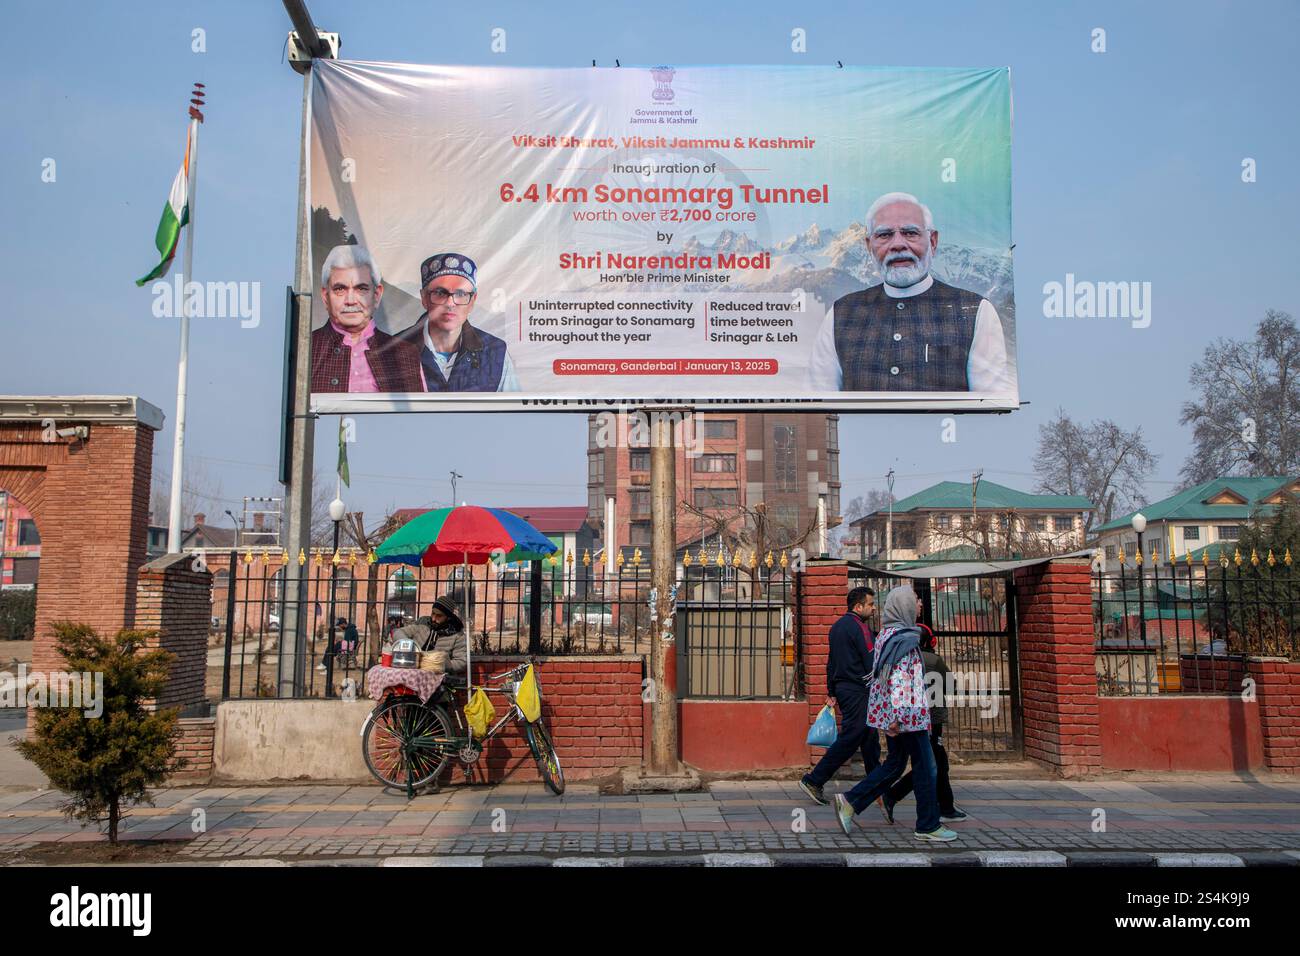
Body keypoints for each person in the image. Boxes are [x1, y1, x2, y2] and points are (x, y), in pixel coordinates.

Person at [807, 191, 1013, 395]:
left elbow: (990, 403)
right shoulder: (841, 314)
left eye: (910, 233)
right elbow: (821, 404)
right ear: (869, 246)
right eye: (885, 235)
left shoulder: (974, 311)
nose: (897, 244)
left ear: (932, 241)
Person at [831, 586, 958, 842]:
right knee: (927, 767)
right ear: (904, 607)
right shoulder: (905, 639)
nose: (918, 605)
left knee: (895, 764)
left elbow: (883, 677)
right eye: (915, 601)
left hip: (897, 715)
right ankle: (928, 825)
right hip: (908, 718)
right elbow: (899, 679)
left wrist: (890, 716)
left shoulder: (887, 635)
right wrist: (897, 717)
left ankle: (850, 801)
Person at [880, 595, 967, 824]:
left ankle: (939, 808)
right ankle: (929, 812)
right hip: (928, 718)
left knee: (923, 763)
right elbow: (951, 685)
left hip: (907, 717)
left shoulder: (893, 644)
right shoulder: (932, 660)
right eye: (916, 602)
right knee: (933, 765)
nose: (919, 605)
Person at [799, 587, 880, 805]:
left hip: (844, 689)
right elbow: (871, 661)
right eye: (871, 604)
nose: (873, 609)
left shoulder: (836, 628)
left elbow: (831, 662)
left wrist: (832, 691)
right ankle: (814, 779)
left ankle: (878, 785)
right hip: (858, 690)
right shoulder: (860, 628)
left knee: (869, 737)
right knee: (852, 736)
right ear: (858, 606)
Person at [397, 253, 520, 392]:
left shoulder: (495, 352)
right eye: (440, 293)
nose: (450, 303)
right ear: (424, 298)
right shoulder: (393, 349)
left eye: (460, 294)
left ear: (472, 301)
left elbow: (512, 412)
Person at [310, 244, 424, 393]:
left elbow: (419, 416)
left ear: (376, 296)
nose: (350, 300)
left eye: (361, 289)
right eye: (340, 289)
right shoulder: (305, 350)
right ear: (325, 297)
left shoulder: (405, 354)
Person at [390, 596, 468, 675]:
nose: (433, 618)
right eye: (433, 613)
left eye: (439, 616)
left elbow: (461, 662)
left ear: (448, 617)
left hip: (438, 676)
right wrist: (412, 647)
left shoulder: (457, 634)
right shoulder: (423, 624)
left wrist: (439, 663)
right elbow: (398, 633)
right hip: (413, 670)